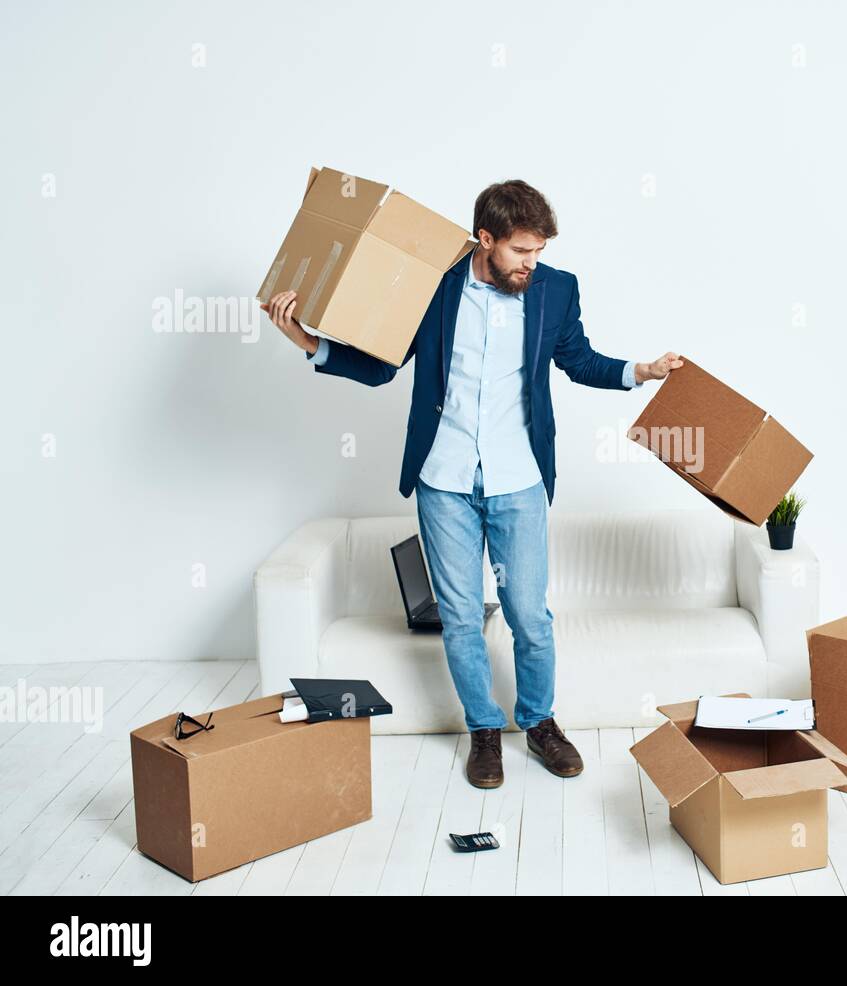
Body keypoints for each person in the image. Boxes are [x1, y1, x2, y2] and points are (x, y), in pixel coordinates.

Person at [264, 179, 682, 788]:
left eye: (538, 251)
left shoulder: (556, 289)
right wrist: (309, 343)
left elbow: (578, 360)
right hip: (444, 479)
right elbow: (383, 367)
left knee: (529, 616)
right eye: (520, 251)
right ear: (485, 239)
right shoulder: (433, 284)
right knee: (461, 618)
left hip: (519, 479)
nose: (531, 263)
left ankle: (539, 722)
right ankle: (484, 729)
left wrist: (640, 370)